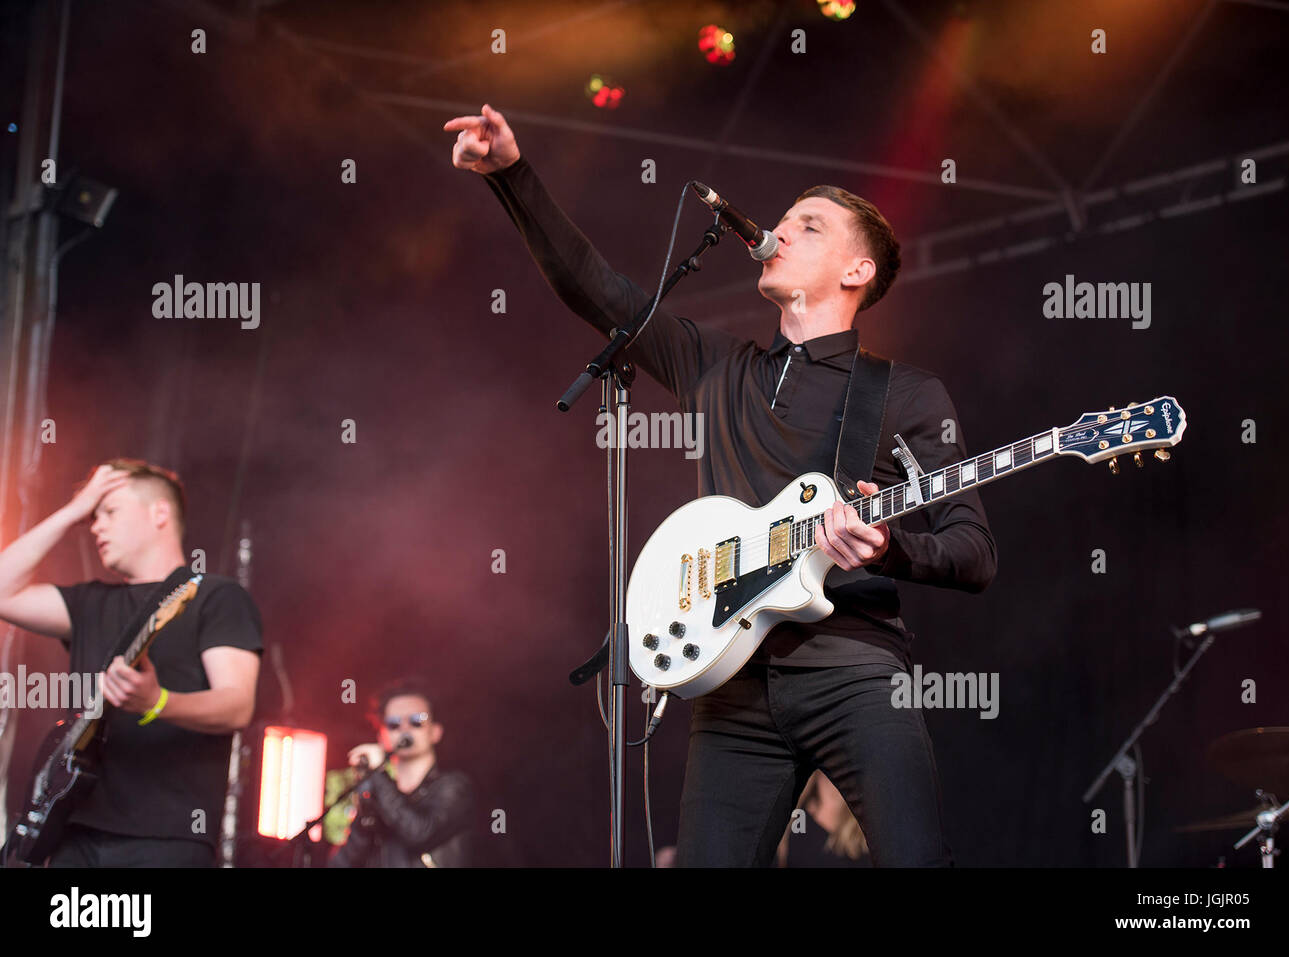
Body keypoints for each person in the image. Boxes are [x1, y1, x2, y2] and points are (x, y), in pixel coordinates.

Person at [444, 105, 996, 866]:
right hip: (733, 686)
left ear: (856, 270)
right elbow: (596, 290)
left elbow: (974, 551)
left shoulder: (904, 394)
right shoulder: (718, 366)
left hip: (856, 671)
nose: (779, 229)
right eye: (784, 219)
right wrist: (511, 172)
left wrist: (888, 546)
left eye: (808, 225)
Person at [0, 460, 262, 866]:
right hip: (74, 833)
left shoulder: (215, 596)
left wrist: (158, 701)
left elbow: (237, 704)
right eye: (92, 516)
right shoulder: (88, 603)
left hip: (166, 838)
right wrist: (73, 509)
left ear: (159, 513)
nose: (95, 526)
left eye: (110, 512)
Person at [329, 682, 474, 867]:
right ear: (382, 736)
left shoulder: (454, 787)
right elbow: (339, 863)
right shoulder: (378, 794)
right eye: (394, 723)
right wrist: (364, 820)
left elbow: (420, 833)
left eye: (416, 720)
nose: (405, 729)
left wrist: (378, 774)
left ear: (436, 732)